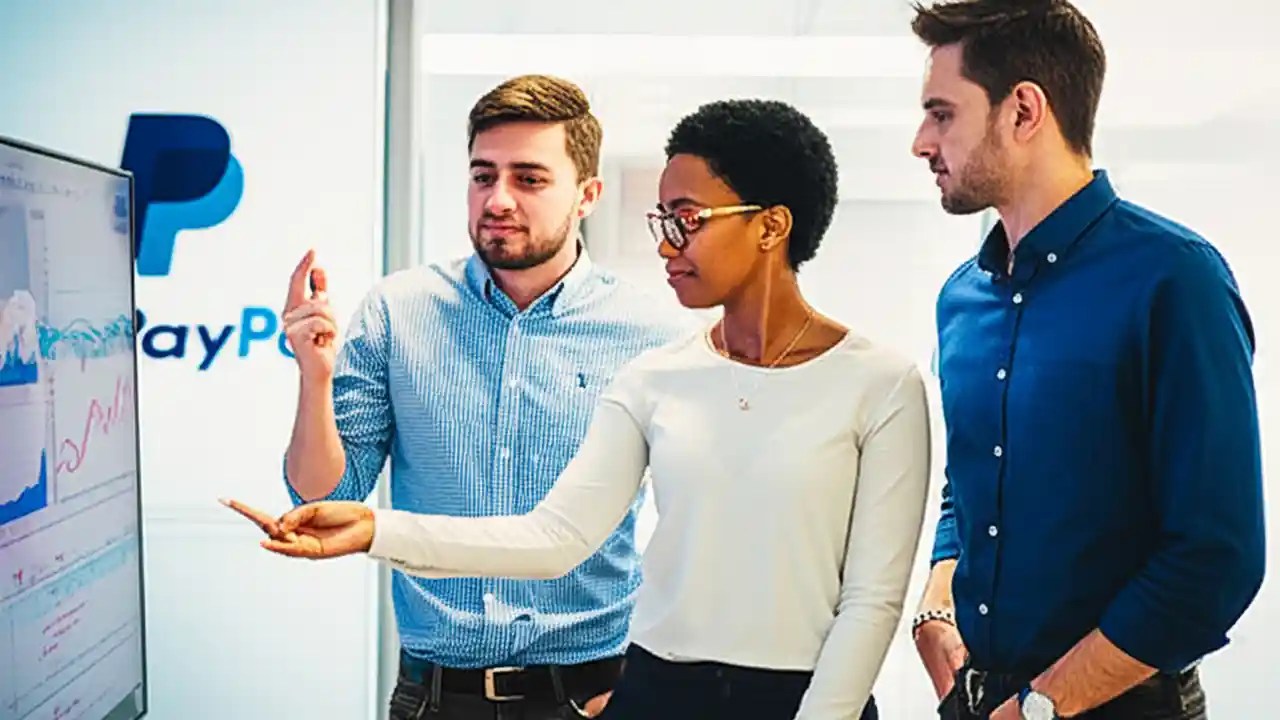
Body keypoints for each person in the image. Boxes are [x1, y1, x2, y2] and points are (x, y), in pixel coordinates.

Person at [232, 99, 932, 719]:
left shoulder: (880, 384)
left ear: (772, 226)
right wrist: (373, 527)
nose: (665, 242)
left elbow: (870, 602)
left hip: (729, 693)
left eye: (687, 219)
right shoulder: (657, 374)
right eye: (482, 175)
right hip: (621, 694)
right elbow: (555, 537)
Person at [274, 74, 692, 719]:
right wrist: (315, 376)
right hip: (435, 696)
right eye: (482, 175)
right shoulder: (398, 311)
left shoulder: (653, 333)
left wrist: (651, 677)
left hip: (592, 692)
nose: (497, 199)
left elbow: (696, 527)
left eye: (529, 178)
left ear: (587, 195)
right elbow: (323, 500)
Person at [904, 2, 1266, 719]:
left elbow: (1215, 559)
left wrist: (1043, 706)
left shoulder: (1174, 280)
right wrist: (936, 609)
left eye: (942, 114)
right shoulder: (961, 300)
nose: (921, 141)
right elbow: (971, 485)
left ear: (1024, 110)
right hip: (980, 698)